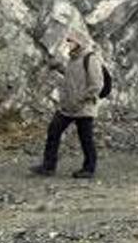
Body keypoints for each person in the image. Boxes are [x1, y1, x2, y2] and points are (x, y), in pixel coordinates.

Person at [34, 31, 105, 178]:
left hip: (83, 108)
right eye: (68, 41)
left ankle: (89, 169)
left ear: (79, 43)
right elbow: (72, 79)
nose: (68, 44)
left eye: (71, 41)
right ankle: (48, 166)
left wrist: (80, 99)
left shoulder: (91, 59)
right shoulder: (73, 59)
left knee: (86, 138)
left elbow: (97, 84)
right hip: (67, 107)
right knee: (53, 131)